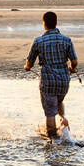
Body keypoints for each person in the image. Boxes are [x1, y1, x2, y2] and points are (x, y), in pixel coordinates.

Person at [24, 11, 78, 140]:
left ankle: (53, 139)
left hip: (48, 81)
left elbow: (30, 62)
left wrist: (27, 67)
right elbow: (74, 61)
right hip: (64, 81)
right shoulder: (66, 40)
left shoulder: (39, 41)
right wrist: (71, 68)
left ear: (44, 24)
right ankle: (64, 122)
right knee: (59, 101)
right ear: (56, 23)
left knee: (50, 112)